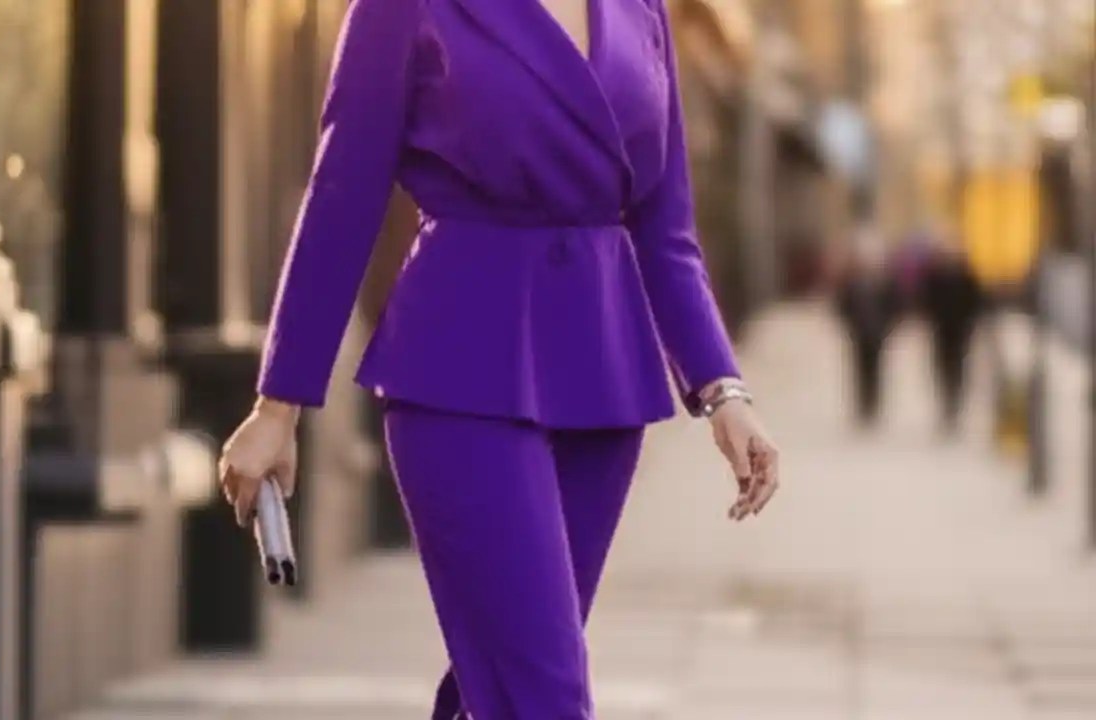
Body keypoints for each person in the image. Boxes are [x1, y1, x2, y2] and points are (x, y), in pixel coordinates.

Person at [218, 0, 780, 716]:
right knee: (544, 693)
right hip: (461, 368)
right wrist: (279, 403)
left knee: (505, 680)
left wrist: (722, 389)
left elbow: (666, 229)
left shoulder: (642, 9)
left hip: (601, 384)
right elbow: (341, 194)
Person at [835, 220, 901, 426]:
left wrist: (889, 326)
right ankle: (862, 405)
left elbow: (895, 305)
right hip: (859, 332)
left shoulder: (885, 282)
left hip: (878, 332)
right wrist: (848, 325)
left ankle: (874, 404)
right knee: (859, 370)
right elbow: (842, 306)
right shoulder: (851, 282)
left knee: (877, 369)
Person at [919, 236, 984, 432]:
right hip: (941, 329)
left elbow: (975, 302)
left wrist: (972, 322)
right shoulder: (935, 276)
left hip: (961, 329)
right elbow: (927, 301)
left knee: (959, 368)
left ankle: (955, 403)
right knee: (942, 367)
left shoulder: (967, 276)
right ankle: (946, 404)